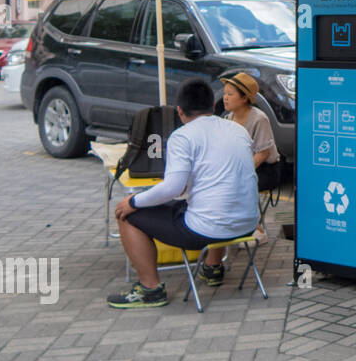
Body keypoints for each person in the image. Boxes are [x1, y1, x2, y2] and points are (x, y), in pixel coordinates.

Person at [108, 78, 259, 308]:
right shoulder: (238, 130)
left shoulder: (183, 136)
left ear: (180, 111)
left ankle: (150, 290)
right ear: (213, 105)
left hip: (205, 231)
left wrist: (134, 201)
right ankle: (212, 269)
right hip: (248, 225)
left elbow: (173, 188)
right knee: (211, 201)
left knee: (126, 214)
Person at [219, 71, 282, 241]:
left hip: (266, 169)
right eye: (225, 94)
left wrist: (240, 172)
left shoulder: (259, 119)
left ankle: (258, 231)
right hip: (243, 167)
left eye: (230, 94)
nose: (225, 98)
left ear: (245, 97)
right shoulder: (228, 118)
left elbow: (263, 153)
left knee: (237, 185)